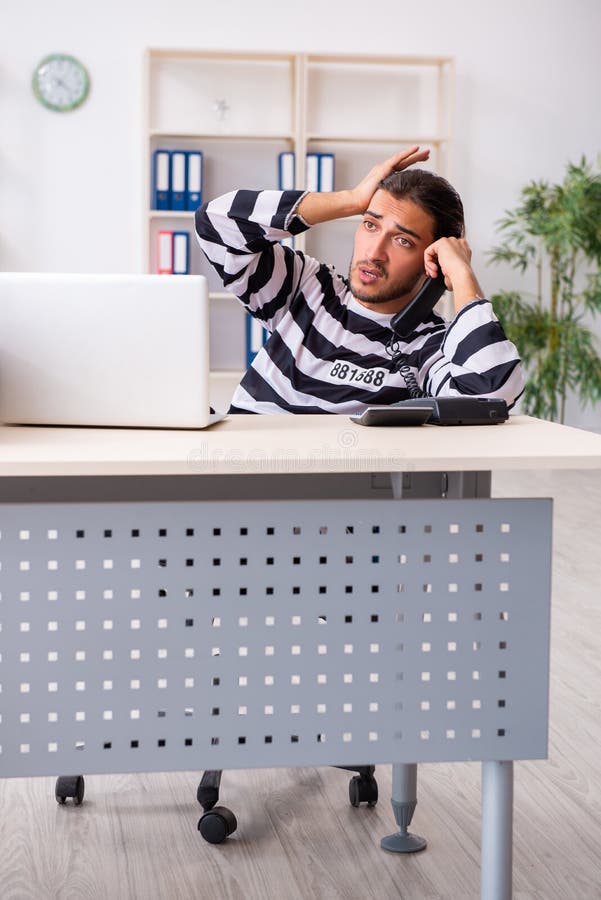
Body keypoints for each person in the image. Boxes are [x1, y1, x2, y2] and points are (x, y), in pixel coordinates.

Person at [195, 146, 524, 414]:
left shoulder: (429, 346)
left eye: (402, 240)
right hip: (231, 468)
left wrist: (463, 276)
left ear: (433, 259)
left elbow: (490, 395)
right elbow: (215, 223)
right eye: (370, 225)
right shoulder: (305, 286)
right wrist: (350, 200)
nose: (375, 251)